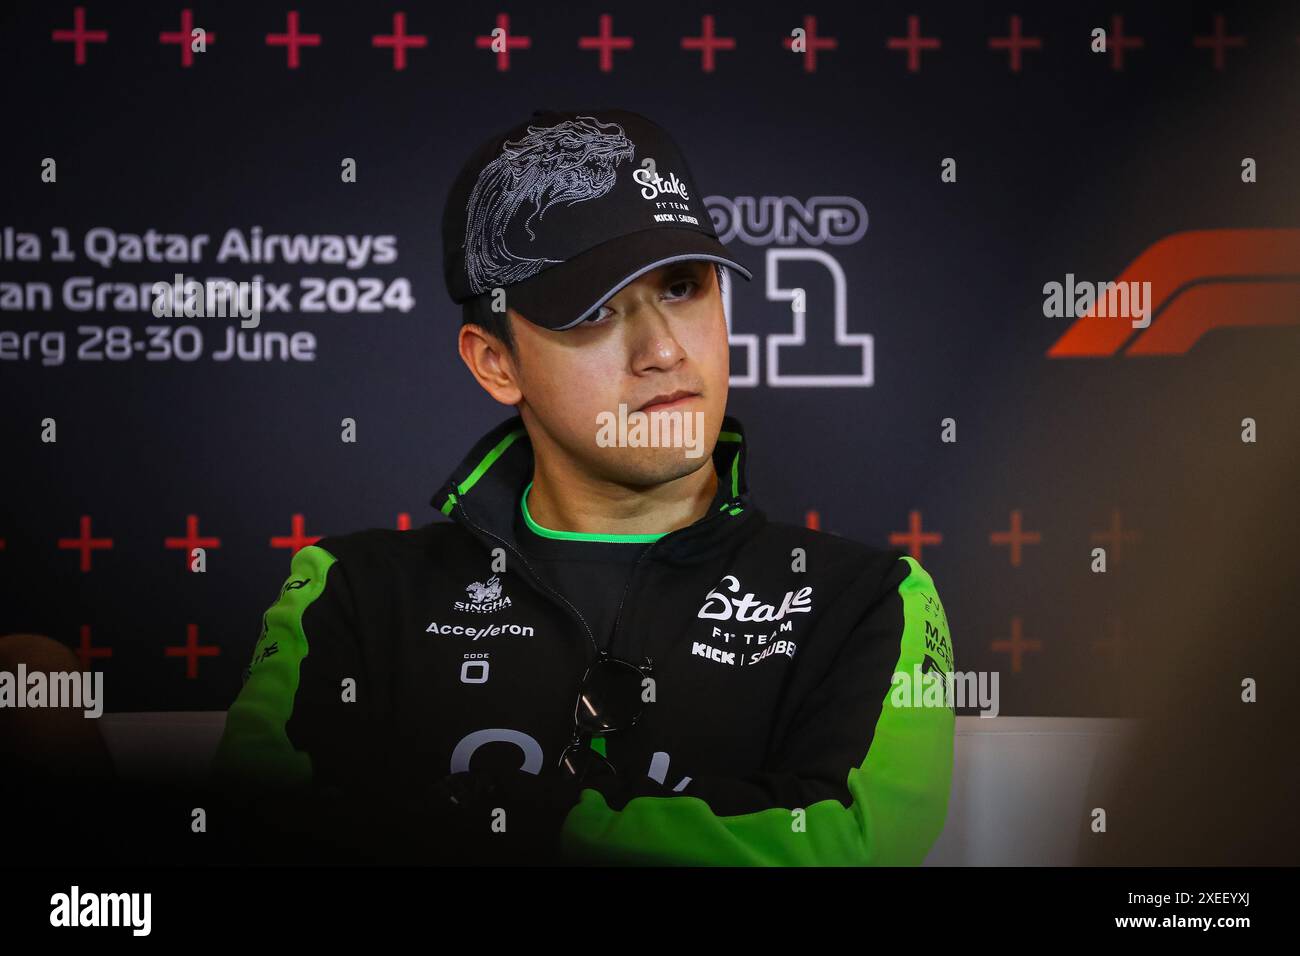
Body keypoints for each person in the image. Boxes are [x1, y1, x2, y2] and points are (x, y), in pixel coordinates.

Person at [211, 108, 956, 866]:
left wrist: (519, 827)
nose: (663, 348)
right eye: (594, 310)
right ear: (495, 362)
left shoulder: (870, 600)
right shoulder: (347, 594)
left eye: (682, 287)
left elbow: (846, 848)